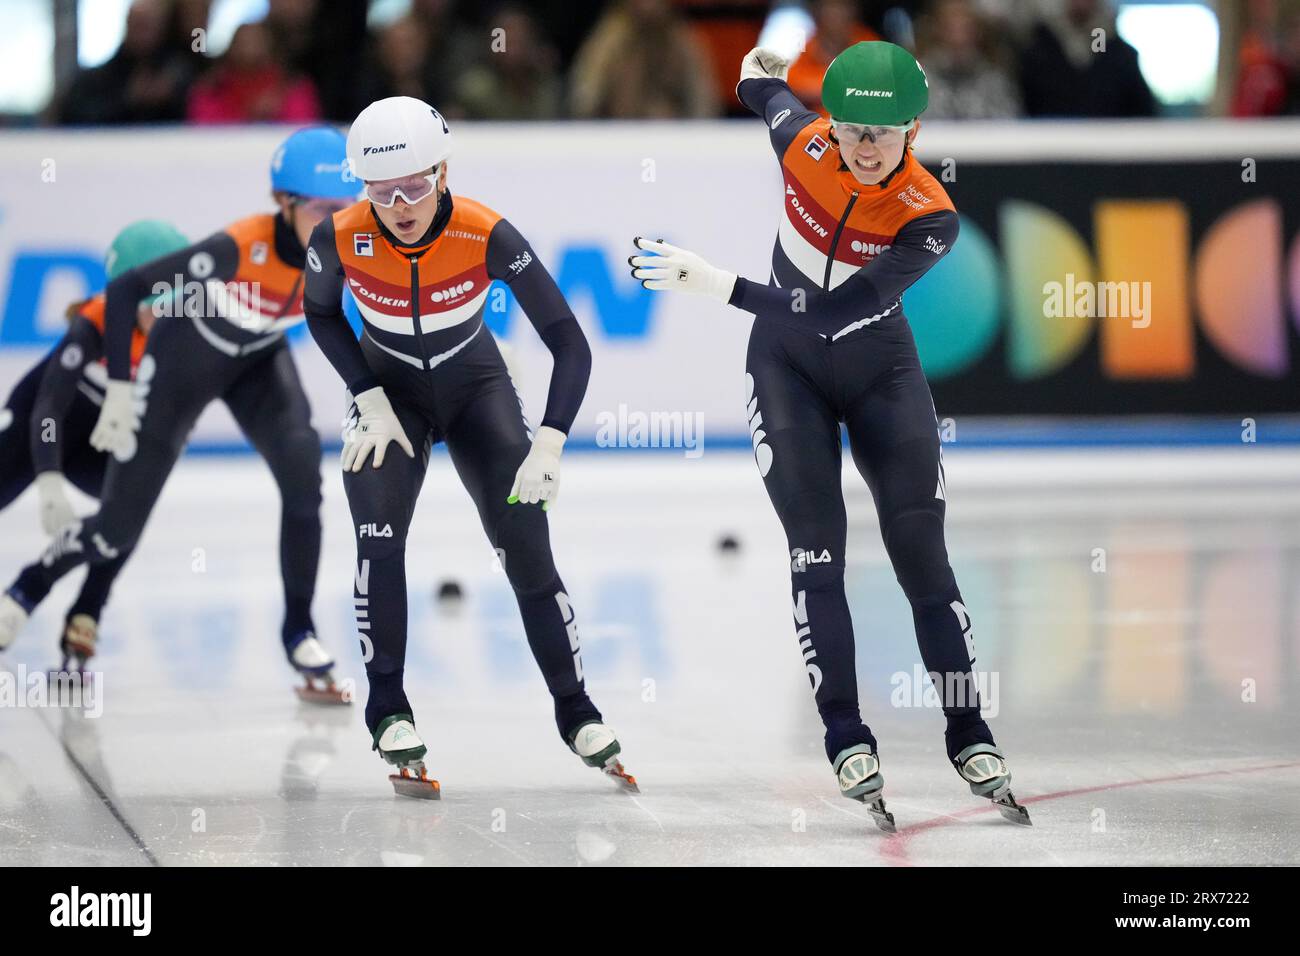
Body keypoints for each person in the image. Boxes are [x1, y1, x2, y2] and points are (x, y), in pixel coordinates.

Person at [628, 43, 1030, 827]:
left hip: (881, 375)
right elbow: (758, 89)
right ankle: (846, 733)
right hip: (786, 376)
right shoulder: (800, 136)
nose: (866, 147)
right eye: (851, 130)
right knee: (817, 554)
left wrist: (720, 286)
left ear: (914, 129)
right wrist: (761, 64)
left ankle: (969, 729)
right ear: (831, 124)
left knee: (923, 558)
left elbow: (843, 312)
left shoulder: (930, 214)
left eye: (884, 133)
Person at [302, 96, 634, 796]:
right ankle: (387, 707)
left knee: (524, 543)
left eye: (416, 186)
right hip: (388, 396)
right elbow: (320, 314)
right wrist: (365, 396)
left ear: (443, 172)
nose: (400, 205)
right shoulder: (338, 236)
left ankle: (577, 710)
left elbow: (569, 342)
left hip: (477, 388)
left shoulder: (489, 234)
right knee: (379, 537)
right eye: (382, 191)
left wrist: (549, 442)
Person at [0, 128, 355, 703]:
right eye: (322, 208)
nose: (336, 222)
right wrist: (119, 387)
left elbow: (403, 299)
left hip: (260, 360)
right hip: (188, 359)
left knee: (304, 478)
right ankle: (30, 586)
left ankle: (299, 630)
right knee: (117, 528)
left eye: (348, 208)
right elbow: (123, 295)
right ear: (283, 203)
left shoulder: (353, 245)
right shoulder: (238, 247)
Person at [0, 221, 188, 669]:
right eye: (155, 305)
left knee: (129, 508)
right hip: (42, 433)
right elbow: (47, 409)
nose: (167, 314)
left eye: (175, 301)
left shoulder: (187, 330)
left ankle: (86, 610)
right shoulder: (96, 321)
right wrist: (48, 481)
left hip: (101, 447)